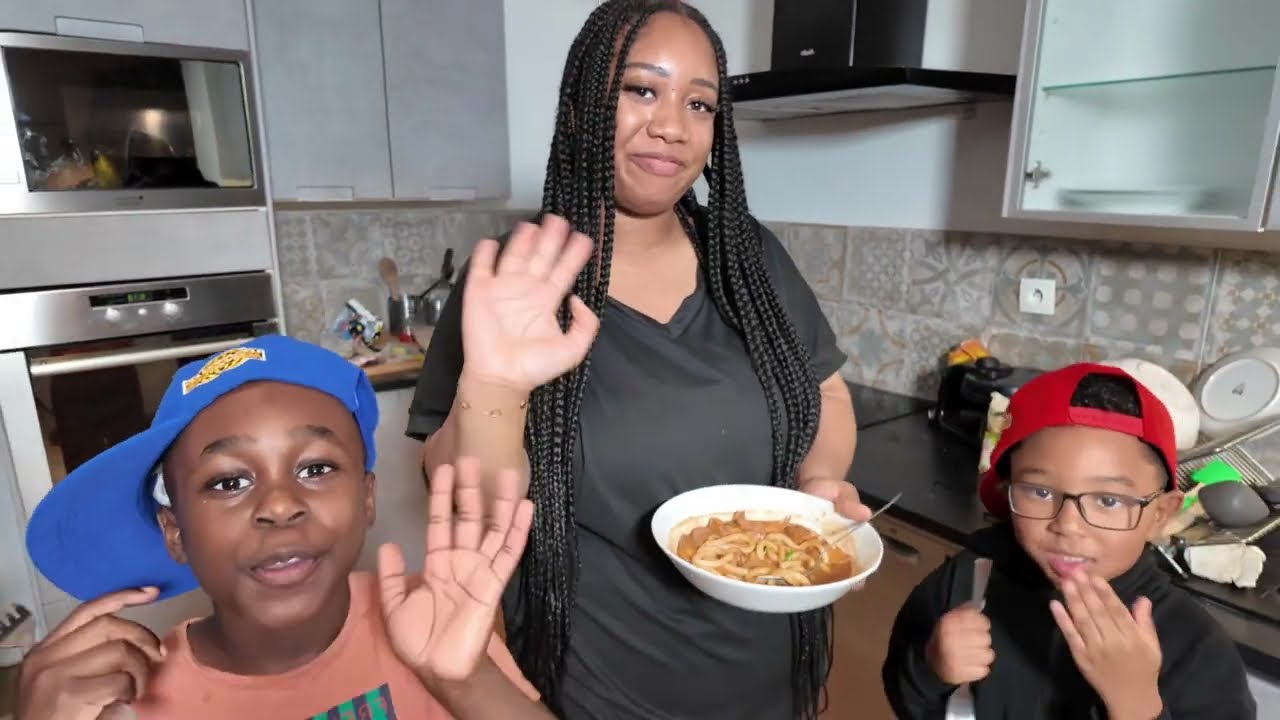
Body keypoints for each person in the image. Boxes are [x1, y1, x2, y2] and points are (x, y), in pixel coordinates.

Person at [406, 1, 869, 718]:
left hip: (771, 676)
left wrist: (820, 483)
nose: (672, 126)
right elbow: (472, 503)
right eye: (641, 89)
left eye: (699, 103)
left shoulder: (748, 259)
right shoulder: (518, 278)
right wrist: (495, 383)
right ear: (579, 106)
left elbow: (827, 394)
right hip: (605, 687)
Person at [19, 335, 549, 719]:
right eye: (228, 481)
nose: (278, 505)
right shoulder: (128, 700)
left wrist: (466, 683)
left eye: (315, 469)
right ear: (175, 530)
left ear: (366, 499)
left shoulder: (436, 619)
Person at [881, 363, 1257, 719]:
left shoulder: (1195, 645)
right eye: (1040, 492)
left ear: (1159, 515)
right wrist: (930, 670)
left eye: (1108, 500)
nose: (1068, 526)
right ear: (1007, 491)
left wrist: (1138, 705)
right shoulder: (964, 582)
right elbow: (904, 695)